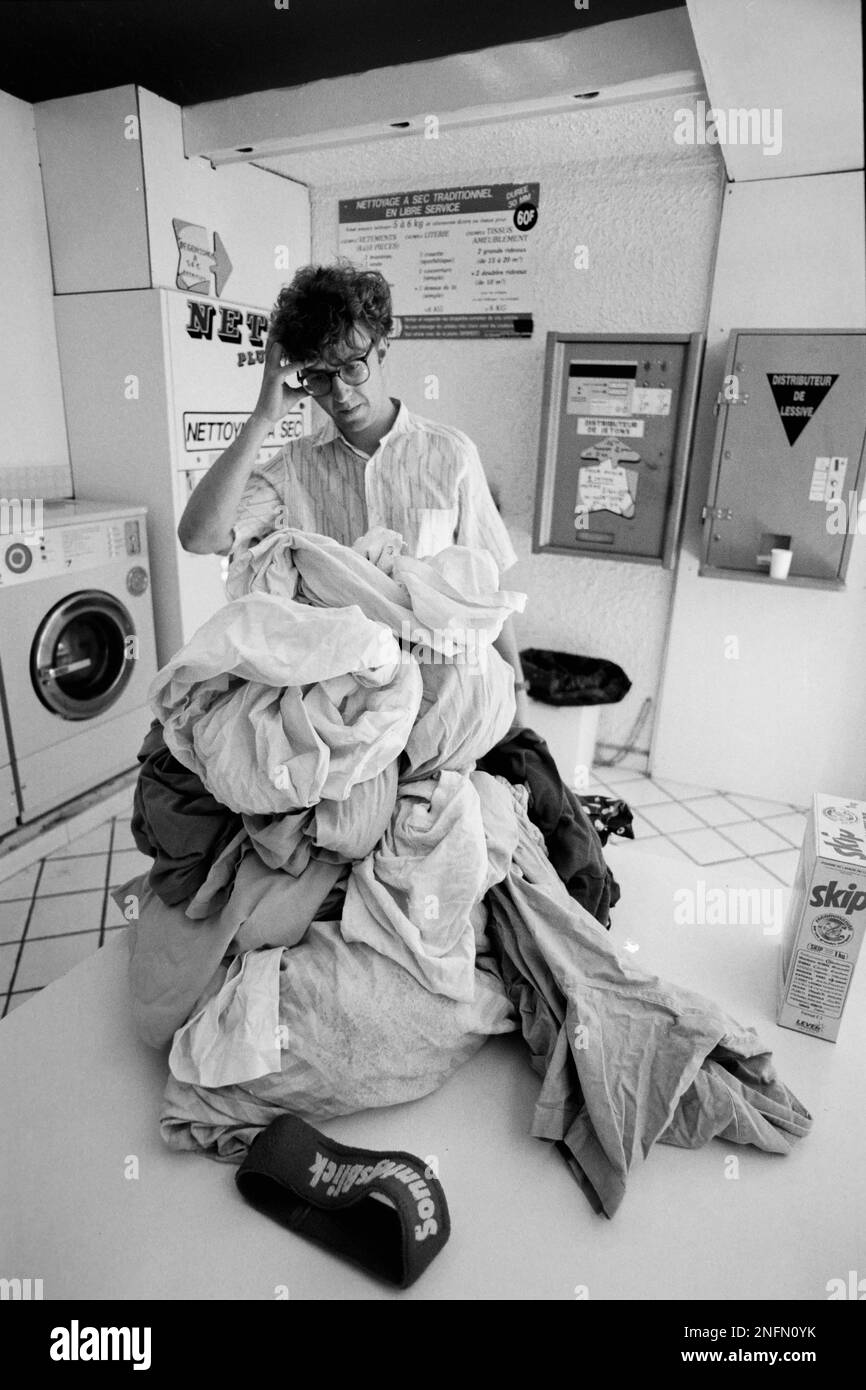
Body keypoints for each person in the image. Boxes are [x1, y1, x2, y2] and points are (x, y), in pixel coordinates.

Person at [178, 261, 529, 723]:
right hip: (334, 707)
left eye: (351, 367)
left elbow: (488, 595)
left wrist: (518, 703)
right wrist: (262, 418)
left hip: (438, 699)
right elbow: (200, 537)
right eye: (320, 377)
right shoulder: (295, 467)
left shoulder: (451, 455)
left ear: (382, 345)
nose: (339, 395)